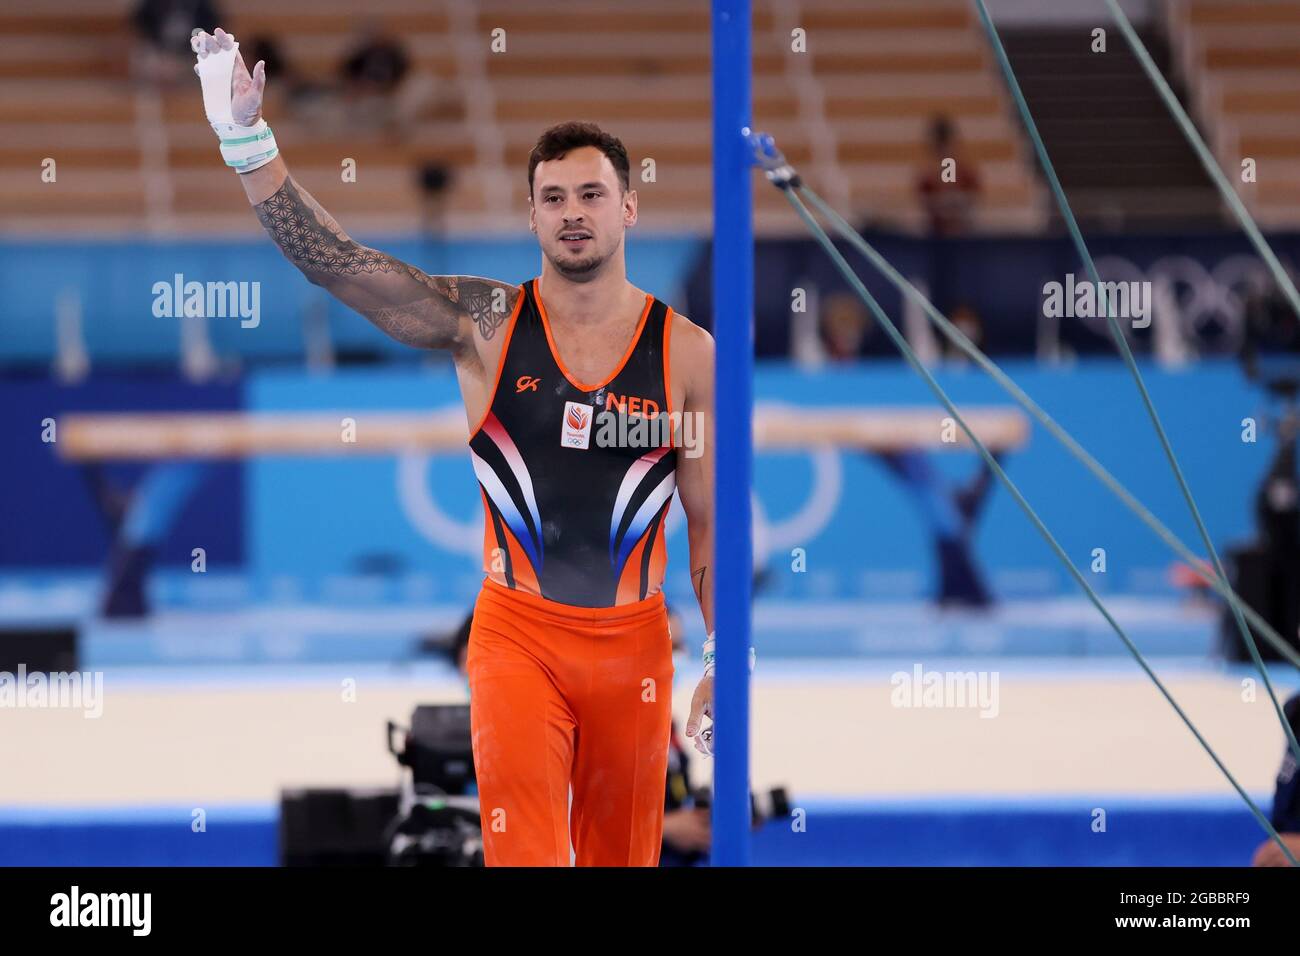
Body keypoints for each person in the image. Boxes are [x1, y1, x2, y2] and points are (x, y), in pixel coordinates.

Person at [191, 28, 719, 867]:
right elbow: (340, 266)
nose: (572, 213)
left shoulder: (687, 352)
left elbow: (708, 518)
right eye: (553, 197)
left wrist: (723, 655)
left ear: (629, 207)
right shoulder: (486, 322)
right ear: (532, 213)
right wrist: (251, 146)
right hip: (517, 639)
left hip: (637, 647)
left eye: (590, 195)